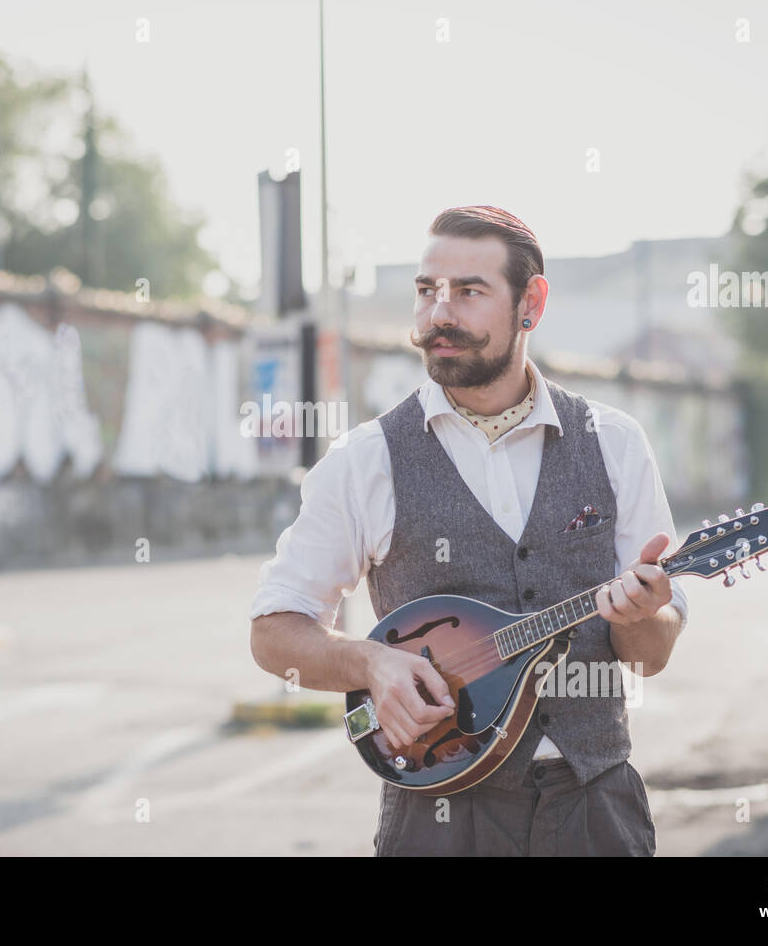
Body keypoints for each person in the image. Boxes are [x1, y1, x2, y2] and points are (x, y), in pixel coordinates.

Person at [248, 205, 688, 856]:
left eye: (469, 291)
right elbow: (272, 631)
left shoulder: (615, 443)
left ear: (530, 303)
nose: (439, 315)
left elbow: (649, 653)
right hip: (437, 818)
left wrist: (640, 614)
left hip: (595, 810)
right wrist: (368, 660)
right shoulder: (365, 459)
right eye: (428, 291)